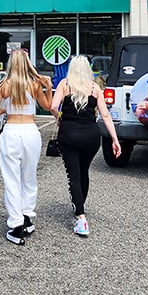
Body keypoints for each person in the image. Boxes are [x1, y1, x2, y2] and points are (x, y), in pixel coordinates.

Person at [51, 54, 121, 237]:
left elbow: (52, 106)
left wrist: (59, 118)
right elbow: (105, 115)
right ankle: (81, 205)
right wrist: (115, 139)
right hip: (91, 136)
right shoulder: (94, 88)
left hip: (68, 135)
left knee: (73, 175)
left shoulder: (64, 85)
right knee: (84, 172)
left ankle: (81, 217)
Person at [0, 49, 53, 245]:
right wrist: (48, 88)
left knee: (12, 179)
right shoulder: (34, 84)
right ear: (27, 64)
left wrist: (7, 108)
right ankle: (27, 215)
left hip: (11, 131)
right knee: (29, 177)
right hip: (30, 131)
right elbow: (48, 105)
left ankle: (16, 225)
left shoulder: (4, 85)